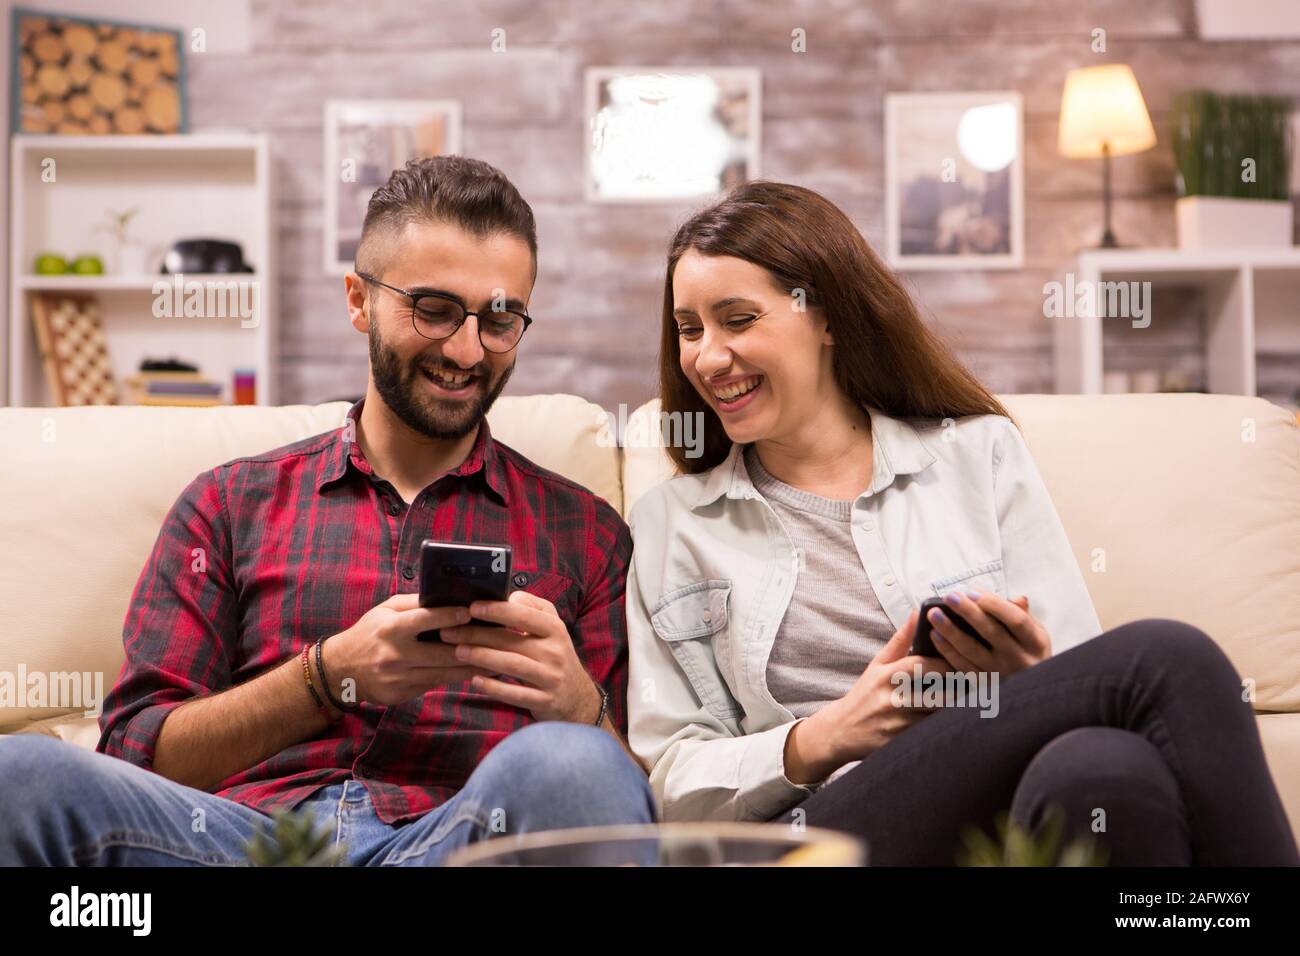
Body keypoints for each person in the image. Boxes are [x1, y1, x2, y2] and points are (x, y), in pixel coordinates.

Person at [0, 155, 654, 867]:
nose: (467, 351)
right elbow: (138, 754)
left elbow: (629, 798)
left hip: (453, 846)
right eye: (434, 310)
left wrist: (579, 709)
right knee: (22, 774)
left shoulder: (585, 533)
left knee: (573, 763)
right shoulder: (230, 504)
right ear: (358, 300)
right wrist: (326, 676)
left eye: (499, 319)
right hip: (237, 847)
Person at [625, 180, 1299, 866]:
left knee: (1105, 773)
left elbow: (1077, 673)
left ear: (825, 316)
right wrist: (828, 734)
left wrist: (1027, 677)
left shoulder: (976, 455)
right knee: (1169, 660)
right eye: (689, 330)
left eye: (737, 320)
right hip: (817, 833)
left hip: (989, 807)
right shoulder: (671, 525)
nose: (707, 357)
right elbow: (670, 783)